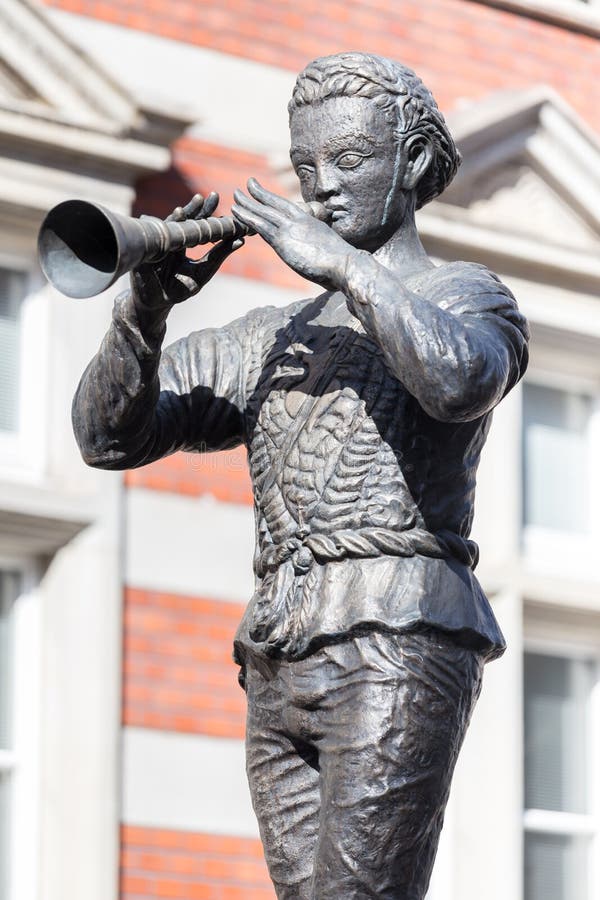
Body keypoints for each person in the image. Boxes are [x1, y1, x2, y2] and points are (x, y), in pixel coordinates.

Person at [72, 52, 529, 900]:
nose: (323, 186)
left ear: (414, 162)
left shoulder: (467, 295)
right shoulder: (266, 337)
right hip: (278, 654)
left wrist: (344, 269)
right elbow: (107, 439)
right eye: (306, 164)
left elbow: (461, 379)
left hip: (396, 633)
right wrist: (143, 311)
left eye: (349, 159)